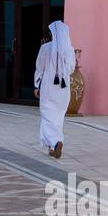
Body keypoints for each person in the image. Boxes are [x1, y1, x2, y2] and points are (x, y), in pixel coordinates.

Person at [34, 20, 75, 159]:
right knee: (58, 117)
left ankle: (55, 141)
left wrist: (36, 84)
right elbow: (71, 69)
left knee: (47, 116)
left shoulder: (46, 48)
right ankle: (53, 147)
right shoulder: (69, 50)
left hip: (48, 88)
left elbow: (40, 68)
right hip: (63, 90)